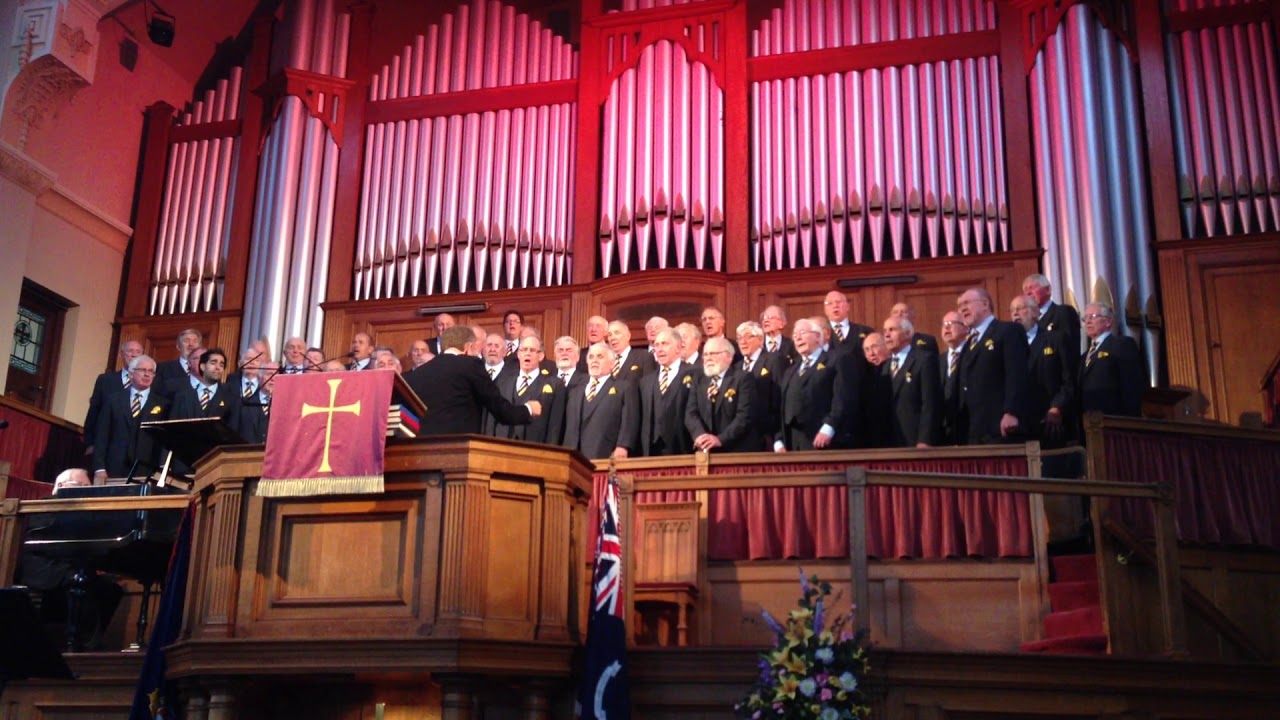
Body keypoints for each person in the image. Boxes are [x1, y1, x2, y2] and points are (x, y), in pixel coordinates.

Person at [404, 325, 542, 435]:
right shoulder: (470, 365)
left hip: (420, 452)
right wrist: (528, 409)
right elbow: (500, 410)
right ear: (468, 347)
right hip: (459, 451)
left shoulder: (416, 374)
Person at [955, 288, 1027, 444]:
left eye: (966, 303)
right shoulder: (968, 343)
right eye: (960, 305)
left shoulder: (1008, 331)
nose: (962, 309)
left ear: (985, 304)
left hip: (999, 426)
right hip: (973, 429)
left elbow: (1016, 374)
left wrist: (1011, 412)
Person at [774, 318, 854, 452]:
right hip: (792, 442)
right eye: (794, 335)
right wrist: (779, 439)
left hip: (822, 437)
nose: (797, 338)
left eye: (802, 332)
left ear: (818, 336)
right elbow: (782, 406)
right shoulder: (791, 370)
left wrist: (829, 428)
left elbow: (842, 398)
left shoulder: (836, 360)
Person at [93, 354, 168, 481]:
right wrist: (99, 468)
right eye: (142, 370)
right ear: (131, 373)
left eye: (151, 371)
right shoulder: (113, 400)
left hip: (146, 469)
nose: (147, 374)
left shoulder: (163, 404)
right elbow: (102, 435)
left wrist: (162, 469)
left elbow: (165, 440)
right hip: (113, 468)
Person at [1012, 295, 1075, 444]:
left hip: (1050, 421)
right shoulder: (1009, 345)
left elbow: (1069, 378)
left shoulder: (1055, 339)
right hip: (1019, 423)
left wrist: (1057, 407)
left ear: (1035, 312)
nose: (1015, 313)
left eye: (1020, 309)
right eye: (1012, 310)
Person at [562, 342, 639, 460]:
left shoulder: (623, 388)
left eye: (600, 356)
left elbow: (630, 419)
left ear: (612, 363)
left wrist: (623, 446)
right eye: (591, 357)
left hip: (607, 454)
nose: (595, 360)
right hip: (575, 458)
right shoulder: (575, 392)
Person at [486, 336, 564, 444]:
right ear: (518, 354)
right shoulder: (503, 382)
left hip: (534, 447)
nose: (527, 353)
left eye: (532, 350)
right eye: (524, 350)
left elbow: (555, 425)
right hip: (502, 446)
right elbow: (491, 419)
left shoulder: (554, 384)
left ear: (540, 356)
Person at [685, 337, 757, 452]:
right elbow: (691, 413)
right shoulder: (699, 380)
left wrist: (720, 439)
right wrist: (700, 436)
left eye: (713, 354)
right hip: (705, 450)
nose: (708, 358)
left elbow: (744, 416)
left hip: (734, 449)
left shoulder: (743, 378)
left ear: (728, 356)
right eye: (705, 354)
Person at [882, 315, 942, 447]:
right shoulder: (885, 366)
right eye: (885, 331)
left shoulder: (924, 360)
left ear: (908, 333)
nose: (886, 335)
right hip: (890, 441)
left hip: (915, 439)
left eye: (892, 330)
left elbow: (930, 403)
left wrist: (925, 439)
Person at [638, 328, 696, 456]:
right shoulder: (645, 382)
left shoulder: (694, 374)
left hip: (684, 448)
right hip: (651, 451)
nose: (659, 349)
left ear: (678, 348)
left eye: (665, 344)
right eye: (656, 345)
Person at [1079, 302, 1144, 417]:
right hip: (1089, 421)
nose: (1088, 322)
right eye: (1085, 318)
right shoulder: (1084, 357)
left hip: (1114, 418)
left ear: (1108, 321)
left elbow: (1131, 384)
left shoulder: (1122, 345)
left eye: (1093, 317)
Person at [84, 339, 143, 454]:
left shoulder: (150, 383)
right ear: (122, 354)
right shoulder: (105, 380)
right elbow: (94, 412)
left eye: (138, 352)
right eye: (130, 351)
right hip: (106, 445)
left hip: (136, 448)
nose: (134, 354)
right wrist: (90, 443)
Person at [737, 320, 785, 450]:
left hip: (767, 434)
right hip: (743, 437)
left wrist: (778, 437)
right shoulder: (736, 367)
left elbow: (781, 398)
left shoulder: (773, 360)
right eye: (739, 338)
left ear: (760, 339)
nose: (743, 341)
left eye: (748, 337)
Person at [1024, 273, 1081, 359]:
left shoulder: (1063, 312)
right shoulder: (1026, 321)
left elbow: (1069, 349)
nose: (1028, 292)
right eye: (1025, 289)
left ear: (1048, 289)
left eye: (1032, 288)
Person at [939, 311, 968, 444]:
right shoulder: (937, 361)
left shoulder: (972, 355)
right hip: (944, 430)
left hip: (968, 426)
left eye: (951, 324)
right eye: (944, 324)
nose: (946, 327)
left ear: (965, 327)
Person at [823, 291, 873, 356]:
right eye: (830, 303)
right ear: (825, 310)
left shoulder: (865, 331)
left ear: (847, 306)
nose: (835, 305)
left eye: (838, 302)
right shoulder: (821, 334)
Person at [237, 362, 277, 444]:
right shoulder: (243, 404)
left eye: (276, 375)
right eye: (269, 374)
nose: (273, 378)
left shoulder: (284, 407)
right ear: (259, 377)